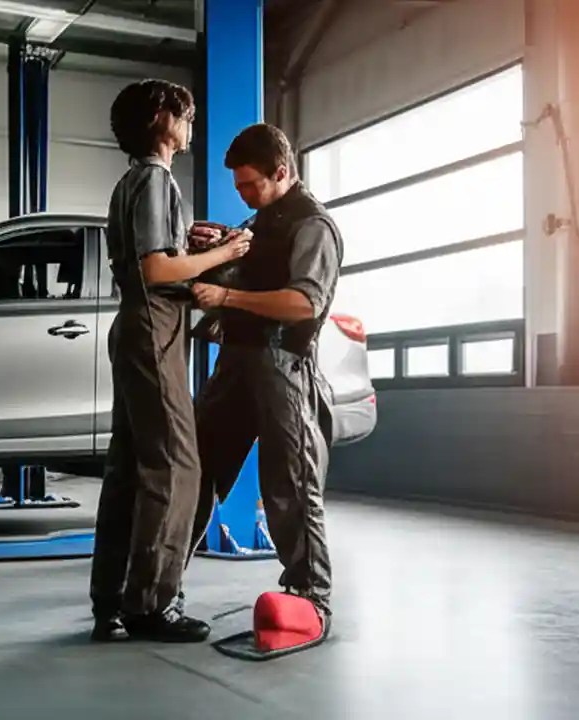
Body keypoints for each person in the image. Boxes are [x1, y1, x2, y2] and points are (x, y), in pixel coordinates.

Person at [88, 80, 251, 643]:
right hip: (153, 329)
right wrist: (223, 253)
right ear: (162, 118)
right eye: (186, 116)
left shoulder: (130, 182)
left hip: (136, 328)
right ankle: (153, 605)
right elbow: (156, 271)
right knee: (179, 467)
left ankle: (109, 601)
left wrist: (189, 242)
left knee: (130, 469)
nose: (191, 126)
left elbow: (153, 258)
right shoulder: (156, 179)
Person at [189, 123, 343, 623]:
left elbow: (303, 303)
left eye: (251, 185)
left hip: (283, 367)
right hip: (237, 362)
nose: (245, 195)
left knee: (289, 486)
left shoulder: (312, 226)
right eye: (239, 188)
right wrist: (216, 248)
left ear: (282, 172)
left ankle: (310, 598)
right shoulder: (262, 220)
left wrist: (228, 296)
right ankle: (158, 586)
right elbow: (251, 270)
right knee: (196, 468)